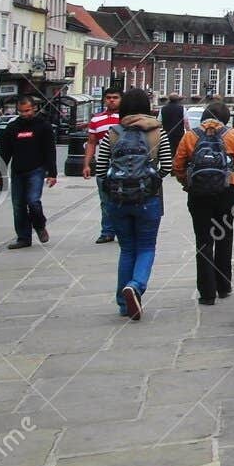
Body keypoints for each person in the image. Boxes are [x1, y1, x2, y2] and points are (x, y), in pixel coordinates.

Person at [94, 88, 174, 320]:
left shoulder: (113, 133)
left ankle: (122, 303)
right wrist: (151, 181)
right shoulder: (158, 133)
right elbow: (166, 166)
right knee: (147, 247)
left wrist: (111, 192)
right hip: (148, 199)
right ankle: (136, 286)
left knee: (127, 249)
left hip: (118, 200)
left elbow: (101, 169)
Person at [172, 99, 234, 305]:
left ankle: (207, 293)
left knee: (203, 240)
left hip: (199, 194)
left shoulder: (190, 136)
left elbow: (178, 165)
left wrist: (187, 183)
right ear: (226, 119)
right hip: (227, 191)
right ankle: (223, 286)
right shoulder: (233, 136)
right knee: (225, 237)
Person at [0, 96, 57, 249]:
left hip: (36, 170)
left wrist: (52, 173)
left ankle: (40, 225)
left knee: (33, 201)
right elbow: (4, 152)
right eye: (21, 111)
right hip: (18, 171)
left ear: (34, 108)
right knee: (18, 205)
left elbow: (50, 151)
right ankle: (23, 237)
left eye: (27, 110)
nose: (24, 114)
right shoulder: (12, 128)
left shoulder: (43, 126)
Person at [81, 87, 122, 243]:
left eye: (115, 97)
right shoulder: (96, 119)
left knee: (122, 197)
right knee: (105, 199)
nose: (111, 100)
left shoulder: (126, 119)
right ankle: (107, 231)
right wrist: (87, 164)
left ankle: (122, 229)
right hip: (103, 164)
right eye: (109, 97)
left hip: (122, 164)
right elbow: (91, 143)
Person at [161, 91, 187, 157]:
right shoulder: (183, 109)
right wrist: (189, 132)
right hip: (179, 135)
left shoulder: (163, 109)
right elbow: (186, 123)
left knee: (168, 153)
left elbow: (159, 123)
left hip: (166, 135)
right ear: (178, 100)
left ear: (169, 99)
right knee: (178, 153)